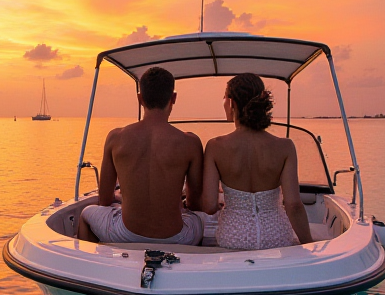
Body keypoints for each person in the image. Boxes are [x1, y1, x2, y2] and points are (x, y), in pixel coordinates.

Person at [77, 66, 205, 245]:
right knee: (198, 220)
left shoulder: (116, 138)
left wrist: (123, 197)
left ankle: (98, 260)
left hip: (125, 234)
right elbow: (194, 204)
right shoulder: (190, 142)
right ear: (173, 98)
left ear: (140, 99)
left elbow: (104, 200)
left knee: (86, 213)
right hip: (177, 238)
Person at [198, 73, 313, 249]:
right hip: (276, 236)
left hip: (233, 237)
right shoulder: (285, 146)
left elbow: (209, 206)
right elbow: (294, 205)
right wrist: (309, 244)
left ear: (231, 103)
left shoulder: (215, 146)